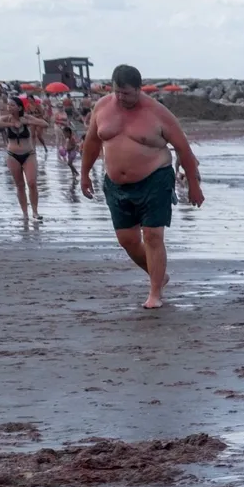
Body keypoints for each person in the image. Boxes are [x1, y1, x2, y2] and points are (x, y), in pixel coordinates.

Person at [78, 64, 203, 309]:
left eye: (127, 93)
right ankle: (159, 275)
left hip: (154, 180)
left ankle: (155, 293)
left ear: (139, 88)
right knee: (127, 240)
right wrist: (84, 174)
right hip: (115, 184)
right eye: (117, 92)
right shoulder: (103, 107)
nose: (122, 98)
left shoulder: (158, 114)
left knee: (153, 236)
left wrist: (194, 186)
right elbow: (92, 142)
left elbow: (183, 150)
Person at [0, 99, 49, 221]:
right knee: (20, 185)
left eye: (12, 105)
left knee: (32, 183)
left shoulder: (26, 118)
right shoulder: (5, 118)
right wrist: (12, 124)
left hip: (29, 154)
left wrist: (28, 121)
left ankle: (35, 212)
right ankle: (25, 213)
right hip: (13, 155)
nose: (9, 107)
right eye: (8, 105)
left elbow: (45, 124)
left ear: (19, 108)